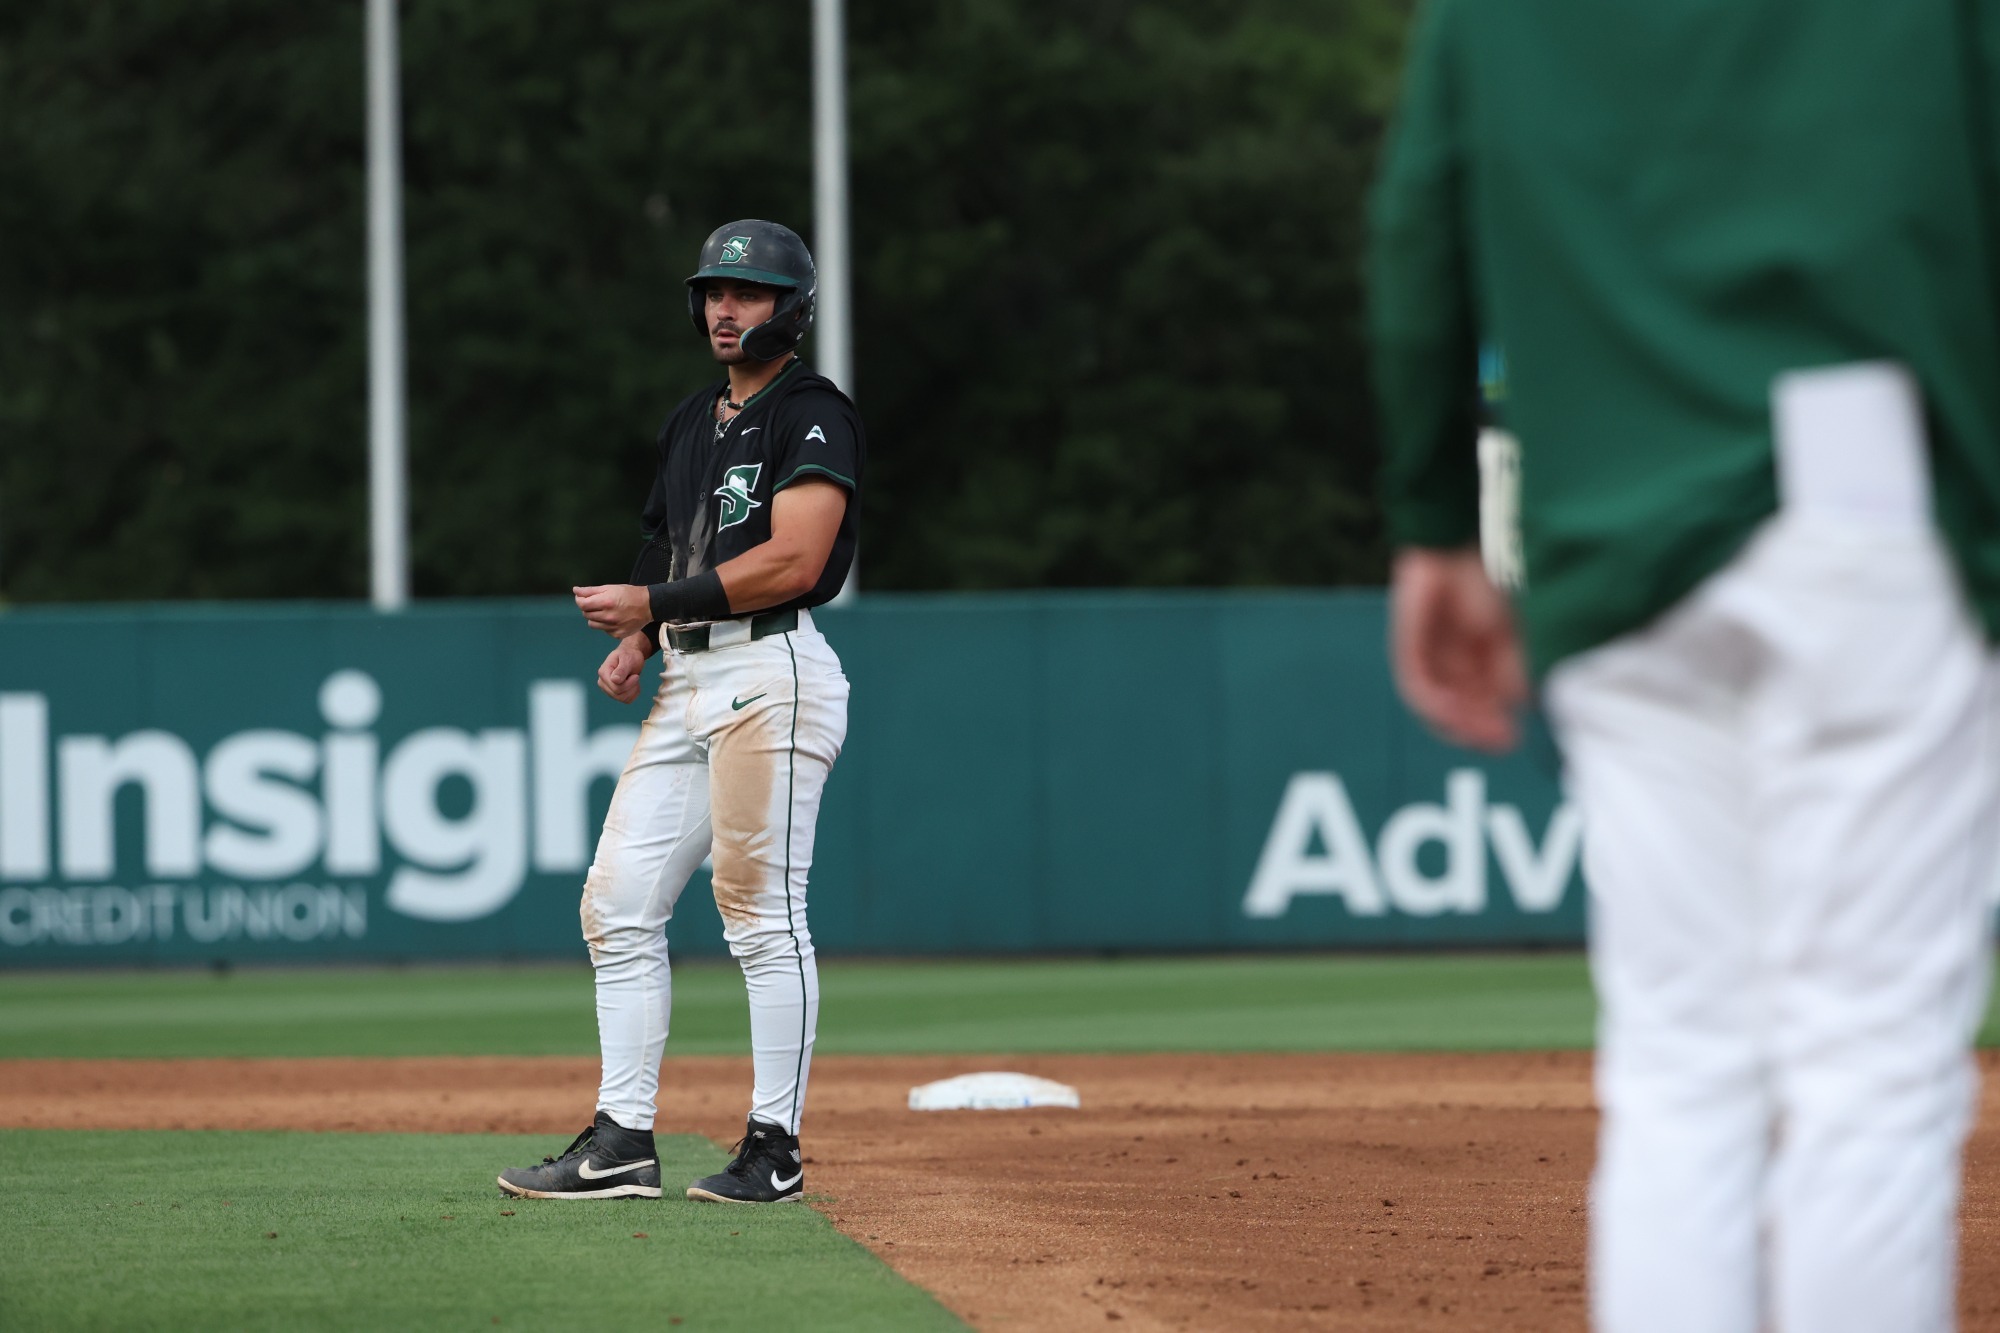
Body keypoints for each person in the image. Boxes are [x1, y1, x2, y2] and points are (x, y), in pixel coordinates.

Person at [1368, 4, 2000, 1330]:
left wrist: (1434, 522)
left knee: (1677, 1063)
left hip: (1611, 516)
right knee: (1870, 1059)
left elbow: (1421, 219)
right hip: (1870, 492)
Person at [498, 219, 862, 1205]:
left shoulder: (812, 411)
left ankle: (775, 1147)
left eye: (747, 293)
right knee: (614, 905)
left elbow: (794, 559)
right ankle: (621, 1141)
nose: (724, 309)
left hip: (772, 671)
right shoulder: (691, 420)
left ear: (791, 307)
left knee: (759, 913)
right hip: (689, 678)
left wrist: (652, 604)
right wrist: (640, 635)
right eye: (713, 292)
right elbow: (672, 547)